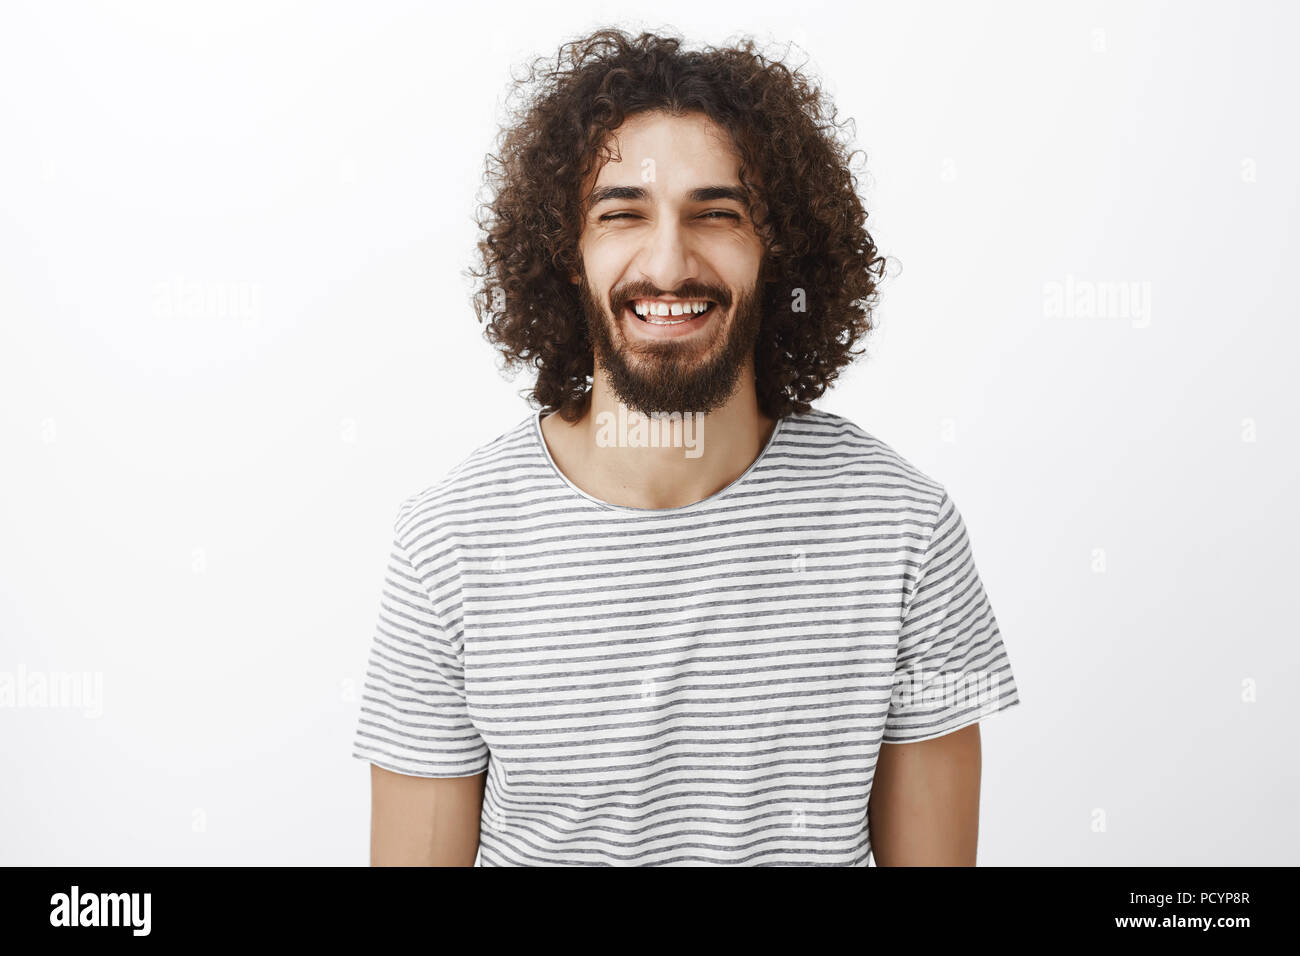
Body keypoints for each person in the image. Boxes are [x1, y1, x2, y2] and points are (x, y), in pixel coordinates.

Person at [352, 27, 1021, 866]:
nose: (668, 263)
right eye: (622, 213)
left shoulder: (903, 534)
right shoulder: (448, 546)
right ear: (569, 255)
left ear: (776, 252)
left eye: (717, 213)